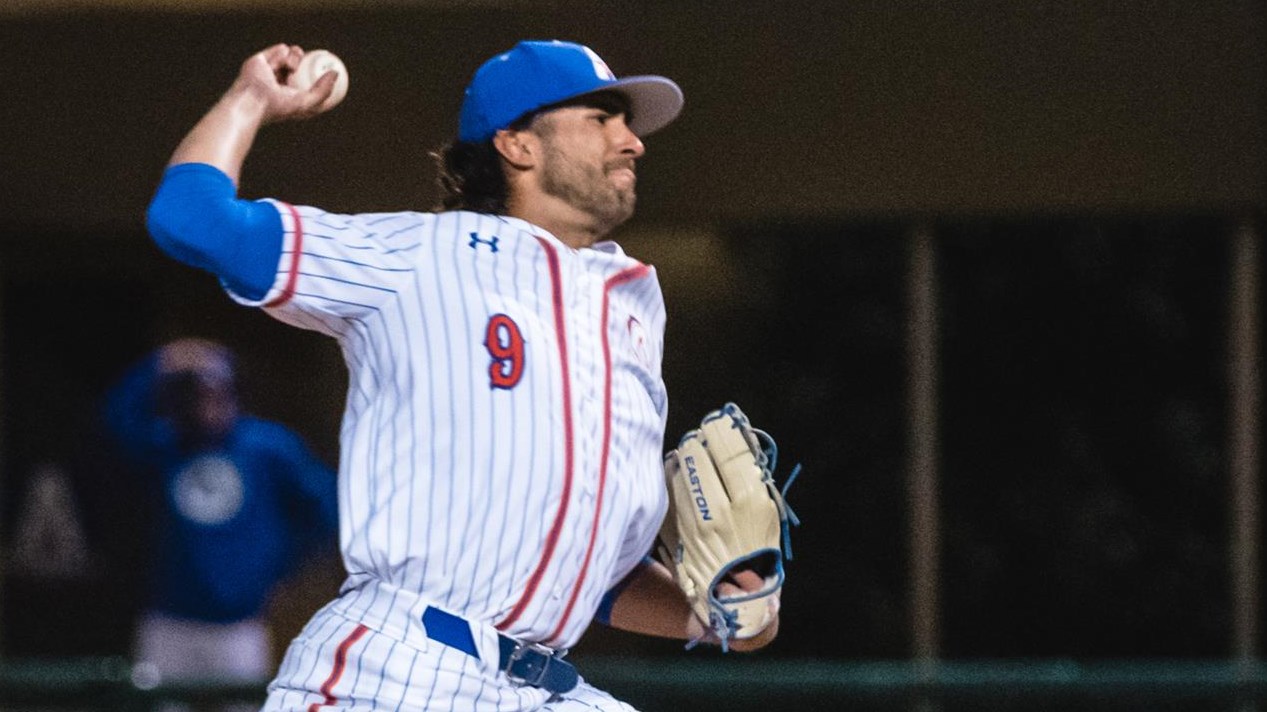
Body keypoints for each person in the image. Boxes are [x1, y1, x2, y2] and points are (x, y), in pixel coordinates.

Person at [145, 40, 779, 711]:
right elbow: (192, 219)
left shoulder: (631, 310)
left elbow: (594, 579)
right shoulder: (417, 256)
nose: (632, 142)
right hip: (395, 672)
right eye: (601, 118)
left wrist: (713, 615)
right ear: (517, 146)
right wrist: (250, 100)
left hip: (533, 684)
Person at [102, 337, 338, 708]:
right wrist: (161, 362)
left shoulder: (268, 447)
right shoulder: (166, 444)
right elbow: (115, 423)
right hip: (169, 620)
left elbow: (326, 508)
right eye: (196, 394)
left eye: (217, 392)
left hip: (238, 625)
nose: (209, 404)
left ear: (235, 393)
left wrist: (281, 571)